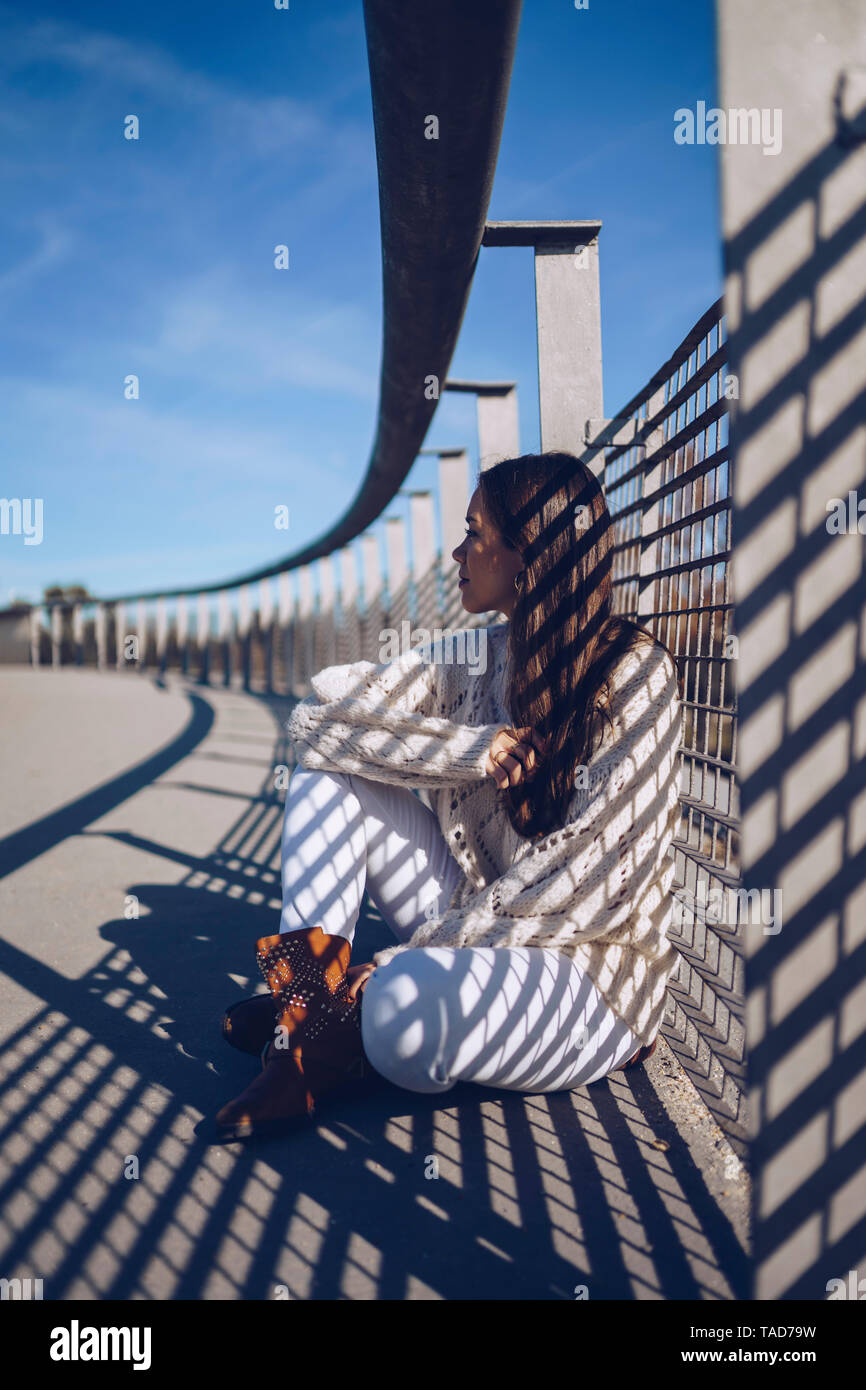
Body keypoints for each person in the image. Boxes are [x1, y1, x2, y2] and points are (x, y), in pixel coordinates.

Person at [214, 451, 683, 1142]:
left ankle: (342, 1020)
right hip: (478, 922)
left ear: (526, 555)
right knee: (329, 773)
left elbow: (579, 887)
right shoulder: (474, 657)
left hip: (588, 969)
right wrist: (470, 752)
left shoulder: (634, 675)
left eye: (474, 533)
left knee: (400, 1009)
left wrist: (416, 953)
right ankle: (308, 1030)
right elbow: (317, 725)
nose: (458, 551)